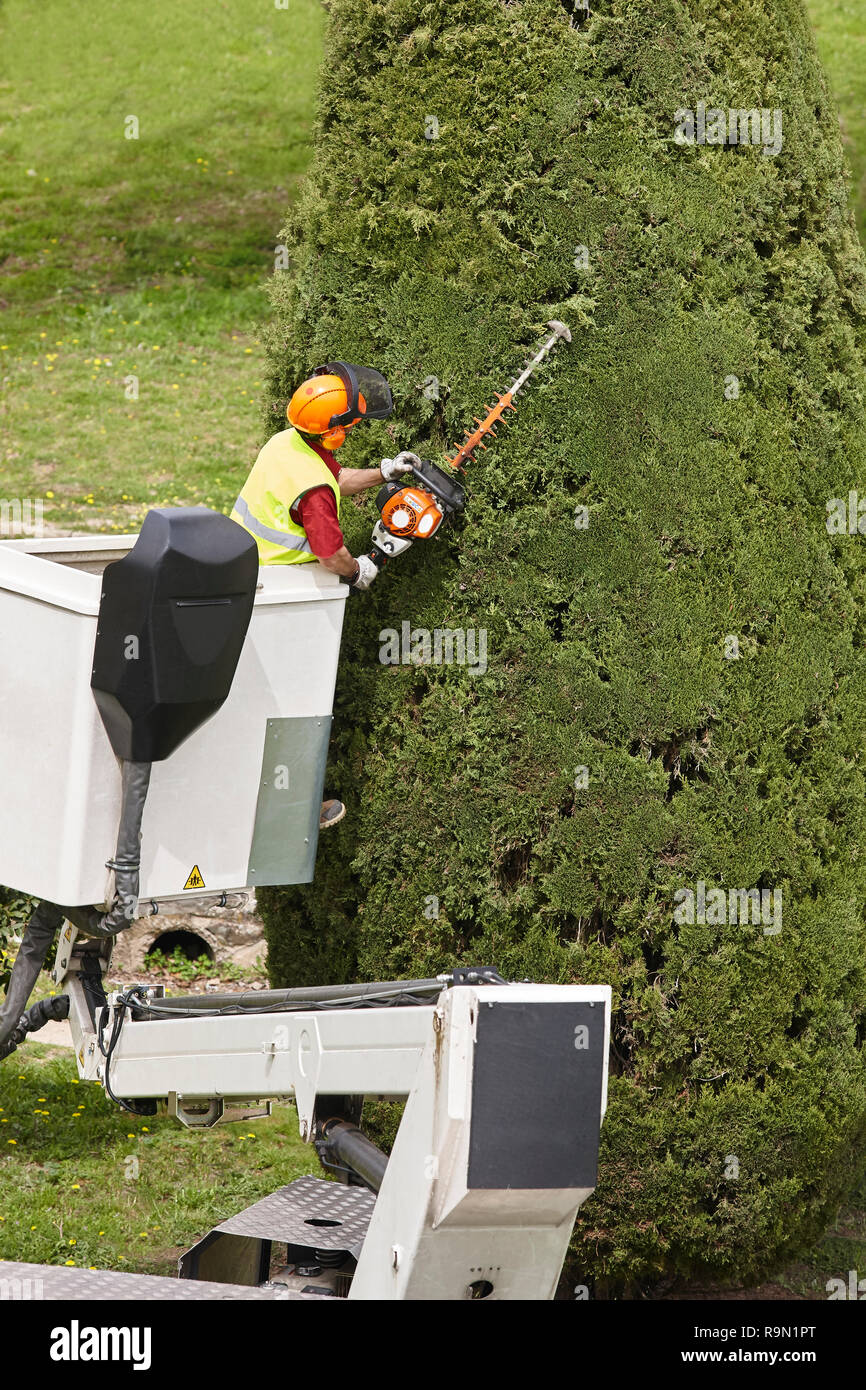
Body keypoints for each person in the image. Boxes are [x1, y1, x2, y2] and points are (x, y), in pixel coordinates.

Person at [232, 362, 418, 829]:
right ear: (332, 431)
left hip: (240, 573)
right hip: (272, 597)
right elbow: (330, 553)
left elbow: (333, 478)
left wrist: (383, 471)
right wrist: (360, 571)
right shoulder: (312, 489)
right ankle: (292, 808)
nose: (355, 425)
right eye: (351, 422)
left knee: (258, 700)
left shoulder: (288, 442)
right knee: (293, 704)